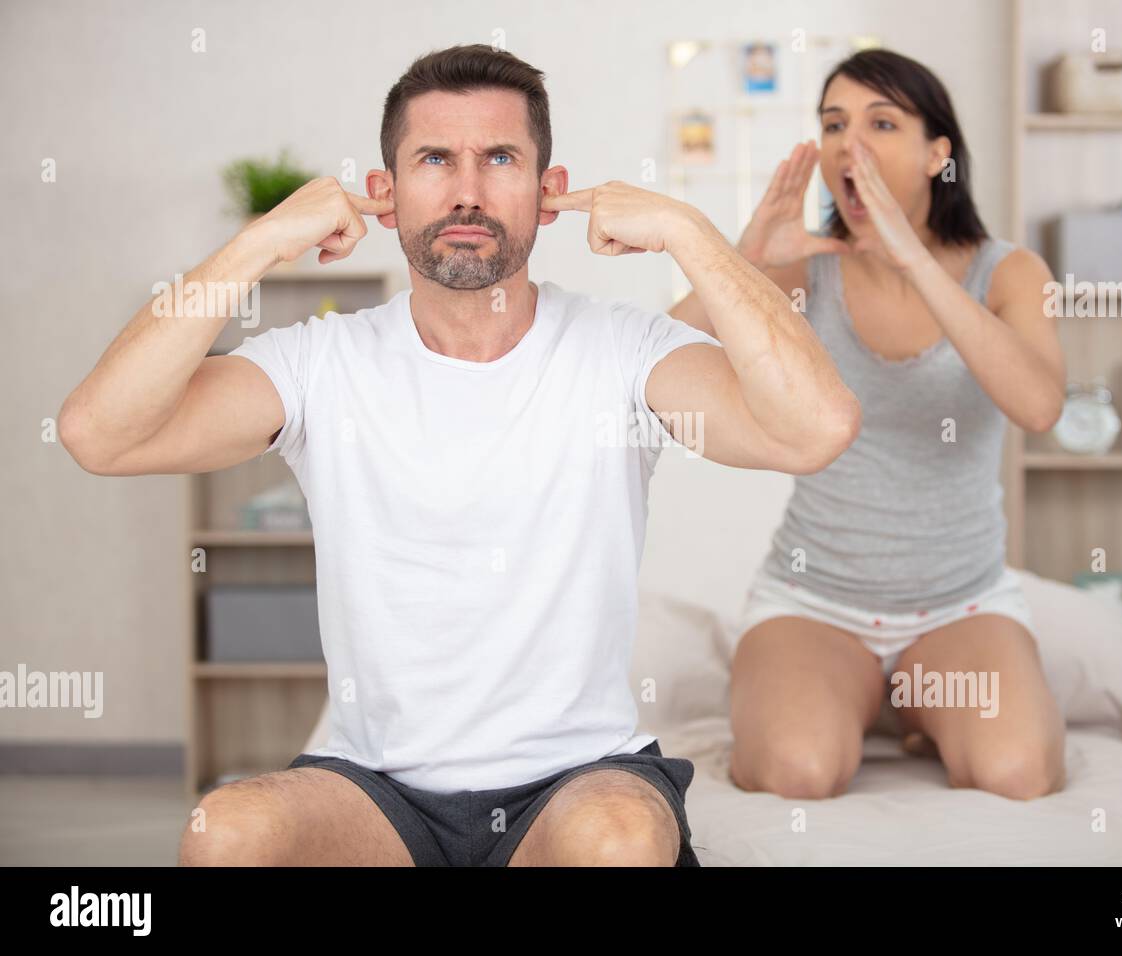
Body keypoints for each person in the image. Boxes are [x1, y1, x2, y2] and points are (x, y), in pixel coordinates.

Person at [57, 44, 860, 866]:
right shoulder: (316, 363)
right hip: (377, 792)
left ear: (549, 194)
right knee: (223, 832)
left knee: (617, 840)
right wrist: (260, 243)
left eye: (500, 158)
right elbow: (98, 433)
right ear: (386, 190)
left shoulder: (625, 351)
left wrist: (693, 235)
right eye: (435, 158)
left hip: (576, 784)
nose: (468, 191)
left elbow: (816, 427)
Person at [669, 49, 1068, 802]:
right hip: (816, 603)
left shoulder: (1010, 274)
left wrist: (913, 260)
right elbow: (657, 372)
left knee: (1016, 772)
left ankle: (908, 698)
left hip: (960, 603)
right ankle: (859, 696)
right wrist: (743, 260)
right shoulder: (804, 268)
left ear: (937, 154)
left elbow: (1039, 406)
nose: (850, 144)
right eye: (833, 124)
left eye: (882, 122)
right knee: (797, 771)